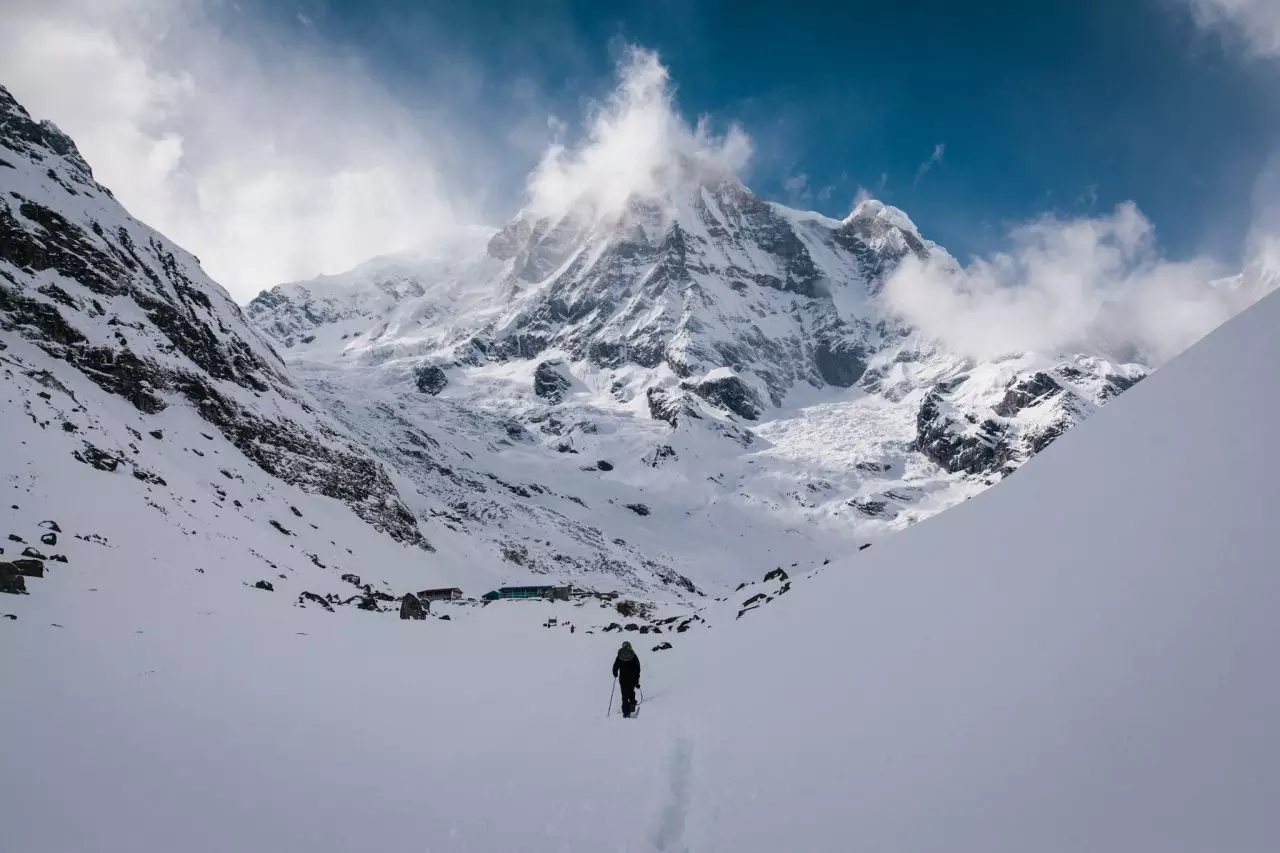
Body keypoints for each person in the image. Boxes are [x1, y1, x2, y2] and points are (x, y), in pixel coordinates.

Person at [612, 641, 641, 718]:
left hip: (623, 680)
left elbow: (615, 666)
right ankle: (632, 705)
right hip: (632, 679)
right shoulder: (633, 656)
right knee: (631, 692)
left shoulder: (620, 656)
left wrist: (615, 673)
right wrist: (637, 681)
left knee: (624, 696)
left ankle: (626, 712)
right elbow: (637, 669)